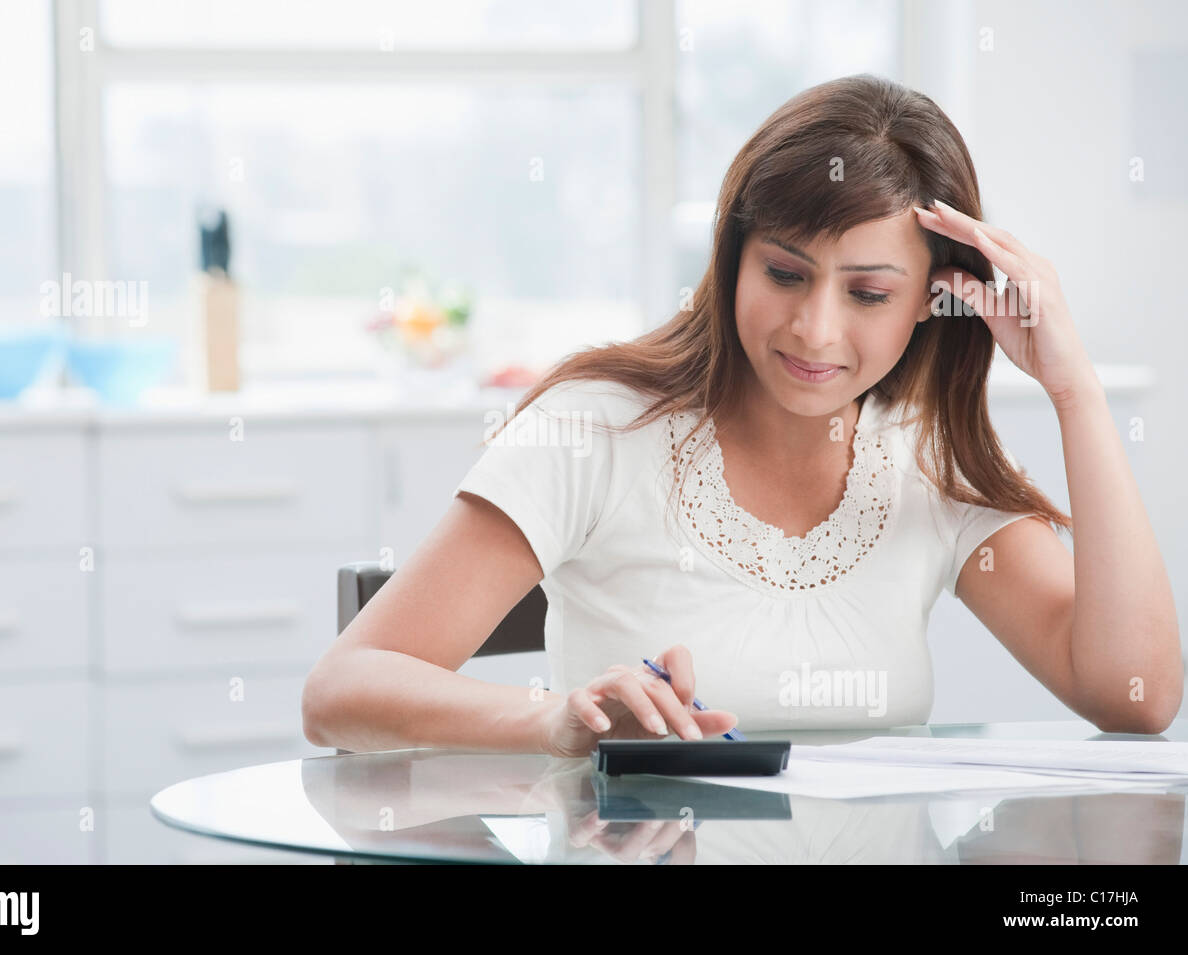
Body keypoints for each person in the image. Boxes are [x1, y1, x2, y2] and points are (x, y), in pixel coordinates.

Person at [302, 73, 1182, 758]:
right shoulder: (594, 432)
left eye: (869, 293)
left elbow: (1136, 696)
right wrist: (558, 719)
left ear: (932, 299)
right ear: (732, 260)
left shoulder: (926, 456)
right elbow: (342, 689)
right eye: (785, 274)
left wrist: (1075, 390)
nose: (815, 329)